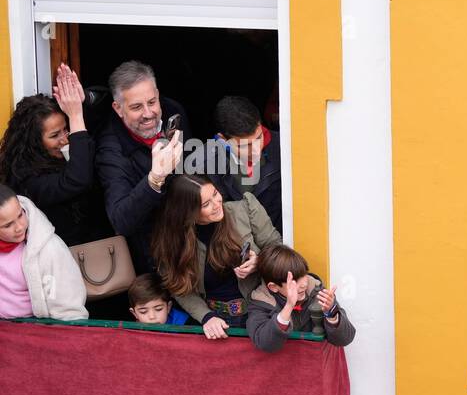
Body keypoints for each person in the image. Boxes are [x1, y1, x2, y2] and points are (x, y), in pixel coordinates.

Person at [151, 174, 281, 340]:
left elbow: (278, 248)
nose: (217, 203)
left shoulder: (245, 209)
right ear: (187, 213)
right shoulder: (174, 241)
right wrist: (206, 316)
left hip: (261, 311)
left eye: (214, 193)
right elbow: (179, 288)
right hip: (214, 322)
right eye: (206, 204)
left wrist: (260, 262)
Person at [0, 66, 113, 247]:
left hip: (101, 250)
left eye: (66, 129)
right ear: (34, 142)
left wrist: (80, 99)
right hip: (65, 258)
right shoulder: (26, 177)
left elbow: (108, 99)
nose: (64, 139)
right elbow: (78, 180)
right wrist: (75, 115)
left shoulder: (58, 157)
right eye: (54, 135)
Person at [94, 60, 191, 269]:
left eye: (152, 102)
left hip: (191, 237)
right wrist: (155, 178)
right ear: (118, 108)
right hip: (154, 255)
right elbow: (121, 221)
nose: (148, 113)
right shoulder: (110, 151)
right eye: (136, 107)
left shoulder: (173, 111)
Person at [246, 242, 355, 352]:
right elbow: (266, 344)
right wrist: (288, 307)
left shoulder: (316, 291)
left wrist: (331, 313)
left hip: (314, 363)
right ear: (274, 287)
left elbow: (345, 339)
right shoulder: (260, 302)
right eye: (295, 280)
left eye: (304, 275)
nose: (303, 284)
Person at [0, 185, 87, 320]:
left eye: (20, 215)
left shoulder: (49, 248)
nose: (19, 227)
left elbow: (69, 310)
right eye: (8, 225)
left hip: (35, 330)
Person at [212, 95, 284, 233]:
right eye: (245, 146)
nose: (256, 150)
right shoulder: (206, 165)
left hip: (277, 247)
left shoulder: (285, 148)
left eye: (259, 137)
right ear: (223, 140)